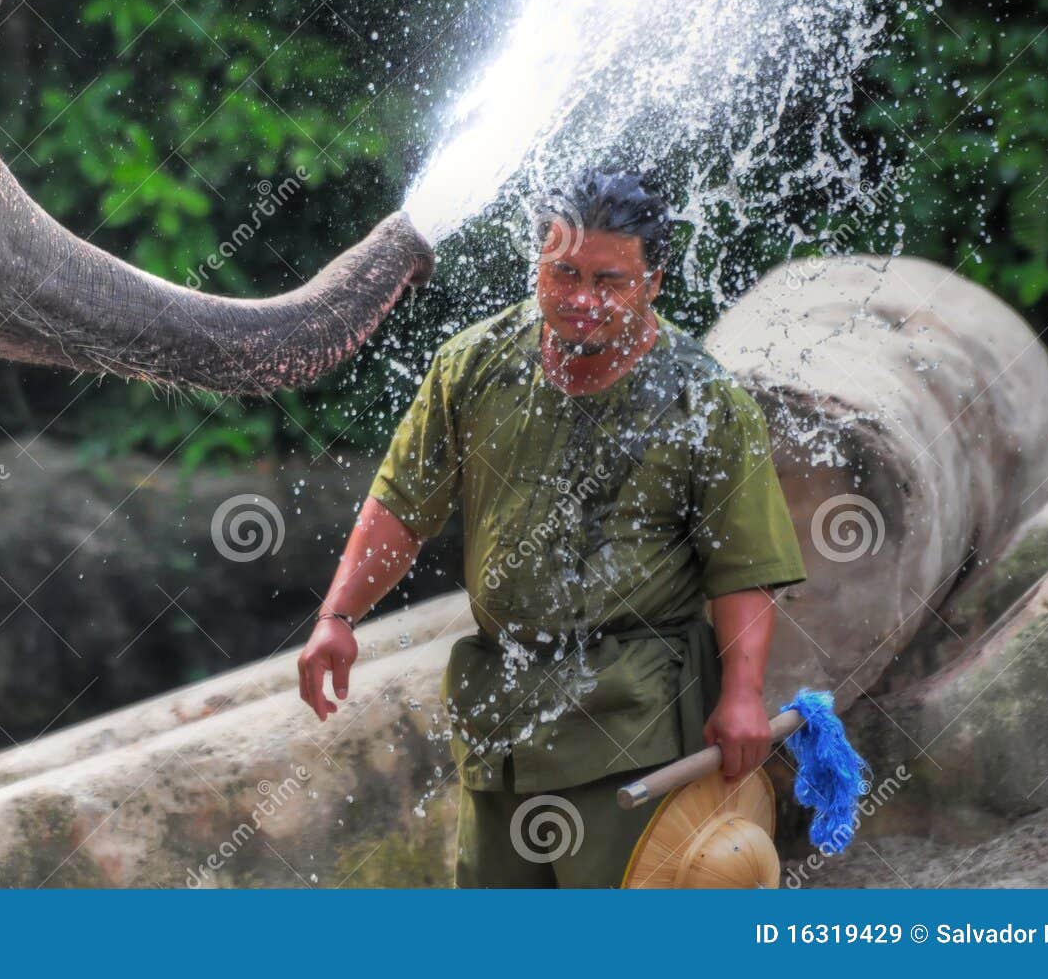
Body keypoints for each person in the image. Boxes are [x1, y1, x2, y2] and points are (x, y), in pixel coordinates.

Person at [295, 169, 808, 887]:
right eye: (564, 273)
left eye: (609, 281)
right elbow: (403, 504)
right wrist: (338, 614)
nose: (581, 299)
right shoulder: (473, 364)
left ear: (653, 284)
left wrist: (744, 693)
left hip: (633, 720)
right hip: (500, 715)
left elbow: (743, 567)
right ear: (537, 262)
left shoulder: (706, 400)